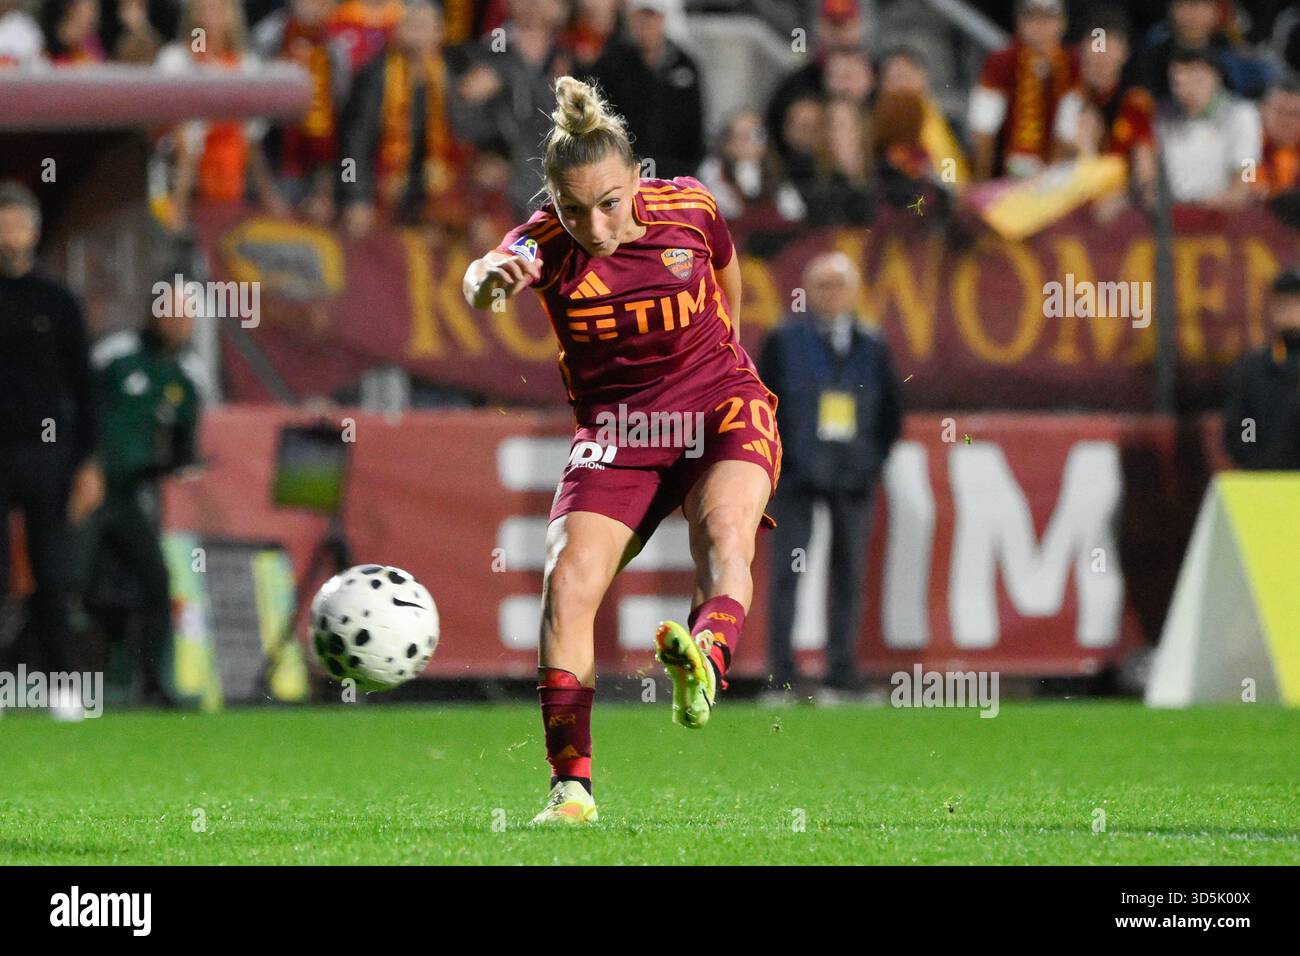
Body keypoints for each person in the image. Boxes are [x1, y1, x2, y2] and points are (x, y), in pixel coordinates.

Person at [461, 76, 782, 825]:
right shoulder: (543, 244)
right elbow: (483, 277)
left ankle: (706, 658)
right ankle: (571, 790)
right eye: (574, 209)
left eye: (609, 202)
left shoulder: (690, 207)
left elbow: (728, 273)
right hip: (619, 433)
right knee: (566, 582)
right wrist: (489, 284)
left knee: (723, 534)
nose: (595, 225)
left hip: (719, 407)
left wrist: (727, 358)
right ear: (553, 201)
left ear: (638, 179)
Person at [757, 252, 902, 703]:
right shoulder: (784, 340)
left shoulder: (873, 344)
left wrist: (870, 461)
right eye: (821, 285)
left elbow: (891, 413)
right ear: (806, 291)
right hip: (798, 474)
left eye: (838, 285)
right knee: (787, 572)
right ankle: (780, 675)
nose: (830, 295)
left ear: (855, 292)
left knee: (849, 575)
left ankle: (842, 673)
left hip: (852, 475)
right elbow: (762, 402)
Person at [0, 181, 102, 720]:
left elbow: (84, 387)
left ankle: (61, 684)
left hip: (48, 455)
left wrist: (89, 460)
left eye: (18, 224)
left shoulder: (57, 300)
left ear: (34, 232)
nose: (10, 236)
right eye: (3, 223)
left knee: (52, 572)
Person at [82, 276, 202, 707]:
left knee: (156, 581)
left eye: (186, 314)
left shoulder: (186, 375)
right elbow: (78, 407)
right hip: (84, 489)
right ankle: (49, 681)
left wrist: (177, 468)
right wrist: (83, 465)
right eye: (171, 311)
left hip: (131, 495)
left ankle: (155, 683)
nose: (179, 321)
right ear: (154, 312)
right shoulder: (115, 355)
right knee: (67, 581)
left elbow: (185, 444)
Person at [968, 0, 1077, 181]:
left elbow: (1068, 129)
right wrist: (981, 179)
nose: (1040, 27)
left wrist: (1052, 173)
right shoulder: (1001, 61)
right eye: (1032, 18)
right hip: (1007, 171)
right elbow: (983, 129)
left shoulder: (1073, 64)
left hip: (1057, 172)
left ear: (1062, 23)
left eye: (1048, 19)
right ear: (1019, 23)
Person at [1156, 46, 1260, 208]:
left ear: (1215, 77)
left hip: (1222, 213)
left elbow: (1248, 167)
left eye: (1195, 79)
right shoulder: (1163, 120)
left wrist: (1239, 191)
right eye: (1177, 82)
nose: (1185, 89)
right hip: (1175, 213)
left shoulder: (1241, 115)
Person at [1222, 267, 1300, 470]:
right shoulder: (1253, 368)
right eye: (1285, 304)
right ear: (1273, 309)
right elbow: (1244, 424)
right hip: (1266, 483)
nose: (1292, 312)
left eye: (1297, 304)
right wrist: (1255, 459)